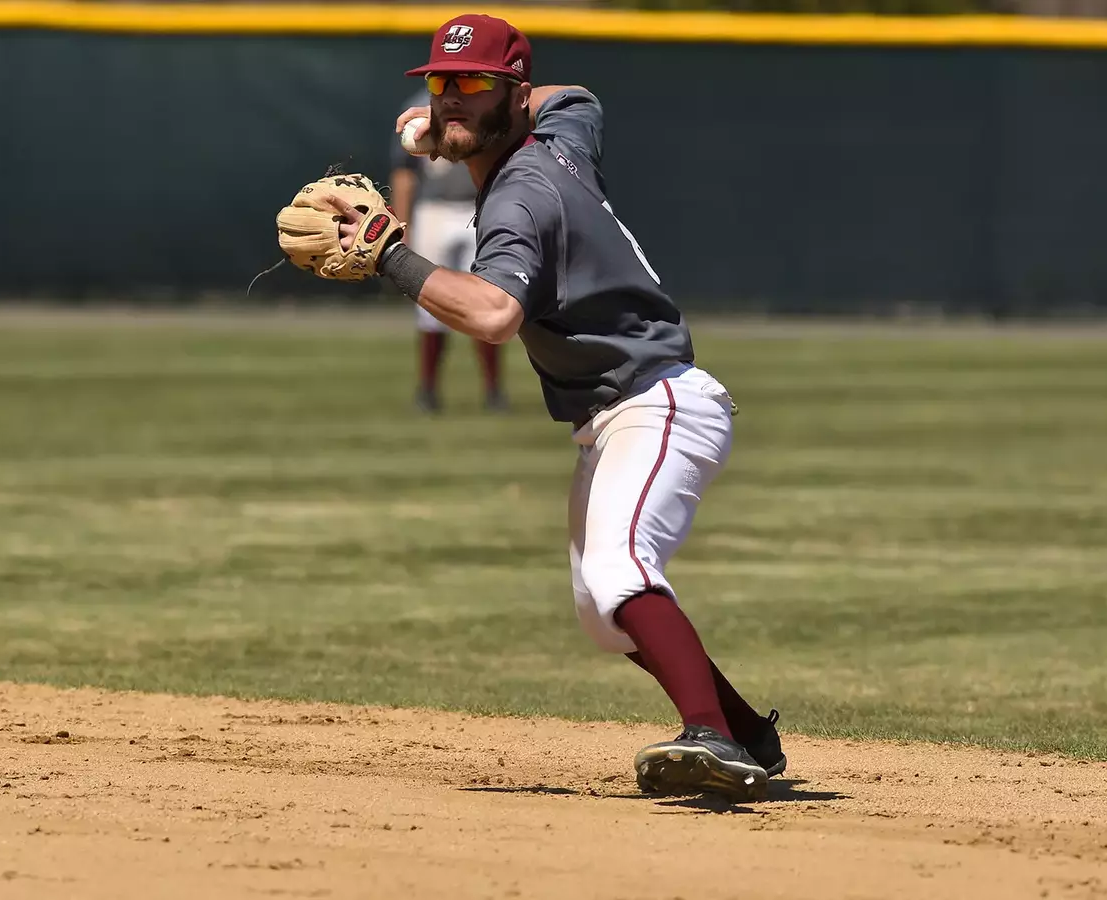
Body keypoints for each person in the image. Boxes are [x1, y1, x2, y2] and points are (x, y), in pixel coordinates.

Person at [328, 14, 787, 801]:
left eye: (474, 83)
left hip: (657, 402)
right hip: (618, 412)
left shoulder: (521, 197)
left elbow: (495, 315)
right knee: (603, 613)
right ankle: (745, 731)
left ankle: (711, 736)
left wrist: (391, 258)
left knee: (619, 571)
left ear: (512, 94)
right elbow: (576, 94)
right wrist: (443, 127)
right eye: (441, 83)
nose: (452, 97)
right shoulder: (560, 135)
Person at [390, 89, 508, 414]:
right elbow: (404, 173)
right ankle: (428, 389)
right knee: (430, 303)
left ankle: (494, 390)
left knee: (487, 299)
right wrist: (402, 222)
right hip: (434, 209)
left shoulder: (485, 99)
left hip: (478, 207)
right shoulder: (415, 104)